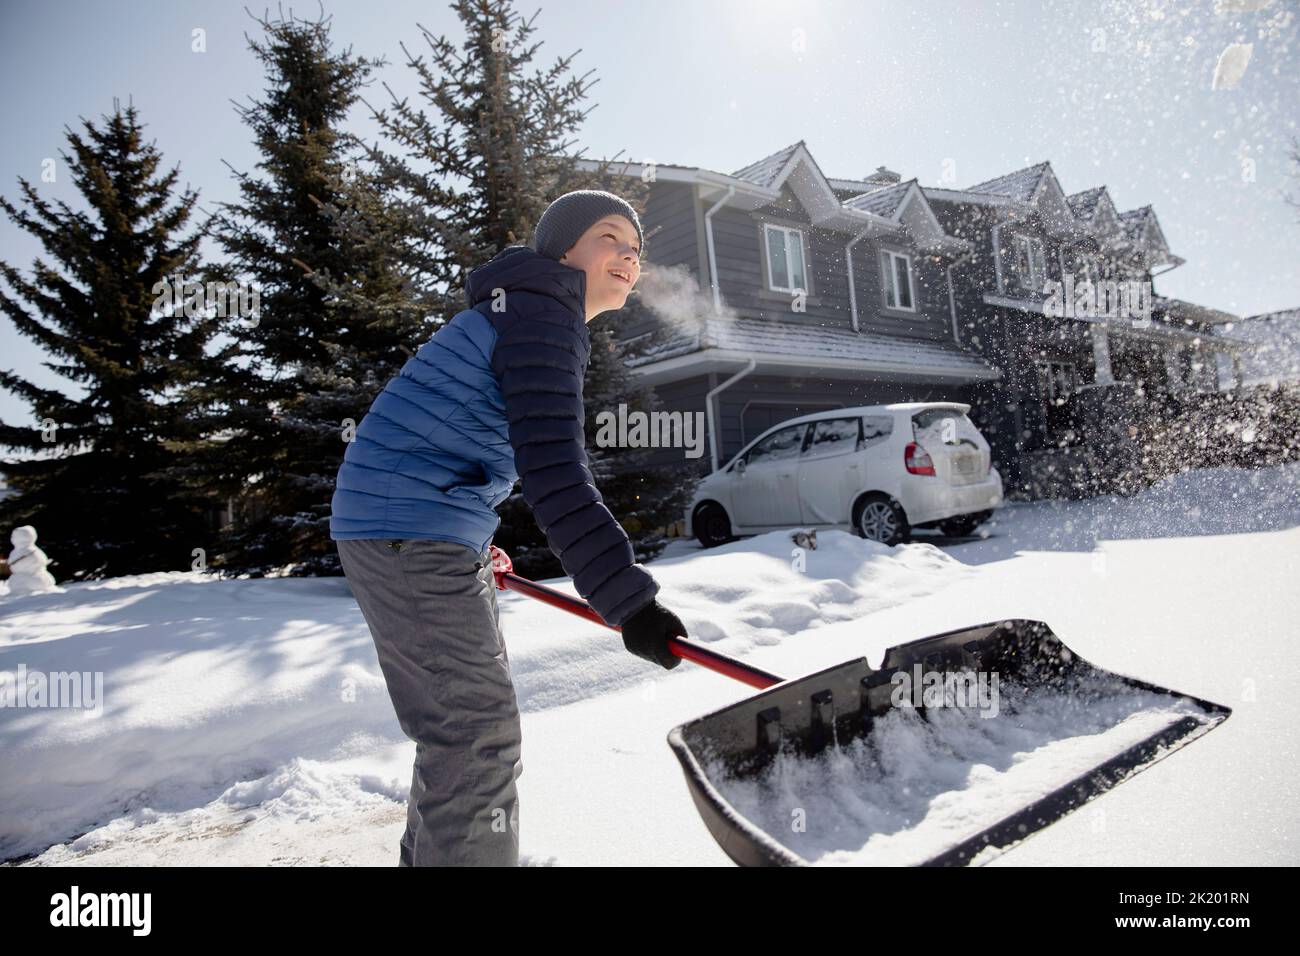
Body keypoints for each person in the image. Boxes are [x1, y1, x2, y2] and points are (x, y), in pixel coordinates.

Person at [329, 189, 690, 867]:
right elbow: (554, 469)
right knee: (473, 734)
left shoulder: (527, 309)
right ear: (563, 249)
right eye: (609, 237)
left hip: (416, 522)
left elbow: (461, 439)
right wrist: (630, 603)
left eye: (636, 250)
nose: (627, 256)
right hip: (407, 526)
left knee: (461, 731)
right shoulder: (541, 315)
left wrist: (466, 530)